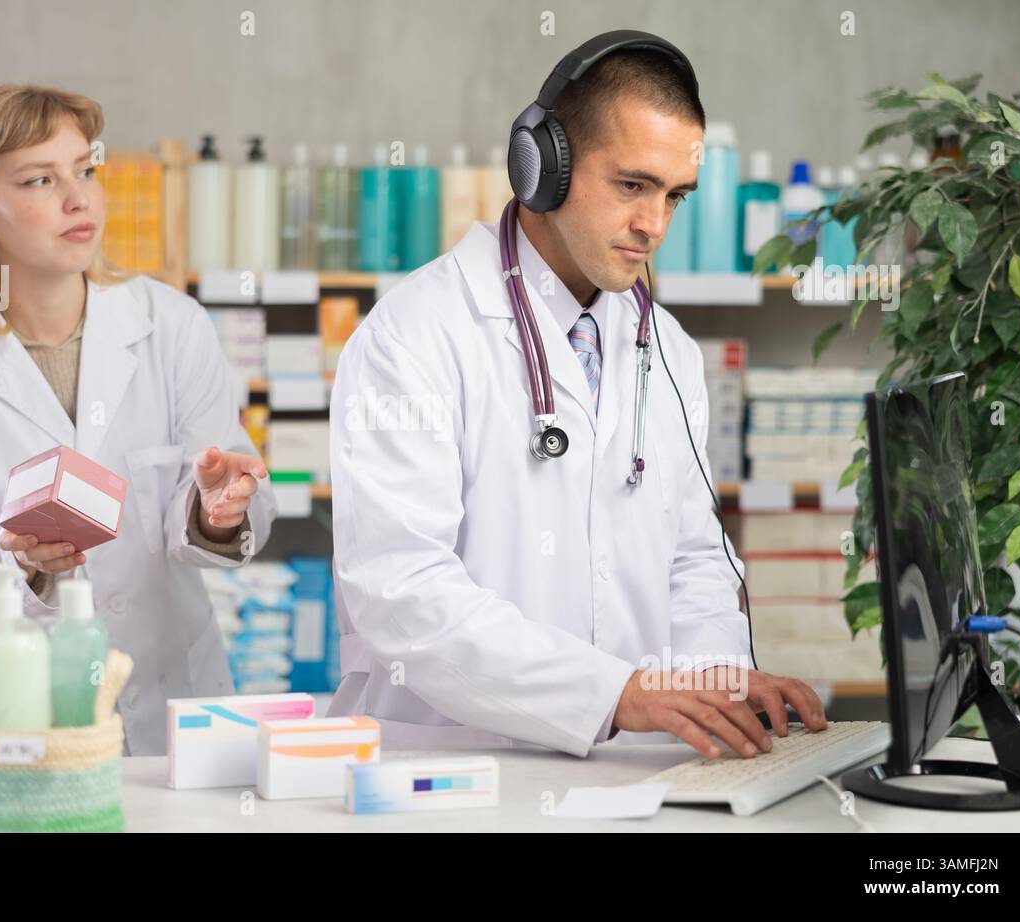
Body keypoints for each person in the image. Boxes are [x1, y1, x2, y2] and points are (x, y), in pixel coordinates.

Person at [327, 33, 827, 759]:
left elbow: (693, 559)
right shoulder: (415, 335)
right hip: (457, 772)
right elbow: (402, 591)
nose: (653, 225)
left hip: (633, 773)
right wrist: (613, 694)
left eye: (673, 197)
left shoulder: (670, 351)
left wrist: (716, 679)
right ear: (542, 167)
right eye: (632, 185)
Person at [0, 85, 276, 755]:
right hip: (21, 729)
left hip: (175, 720)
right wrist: (13, 559)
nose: (78, 198)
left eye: (86, 170)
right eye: (40, 179)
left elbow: (231, 498)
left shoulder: (171, 328)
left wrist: (217, 510)